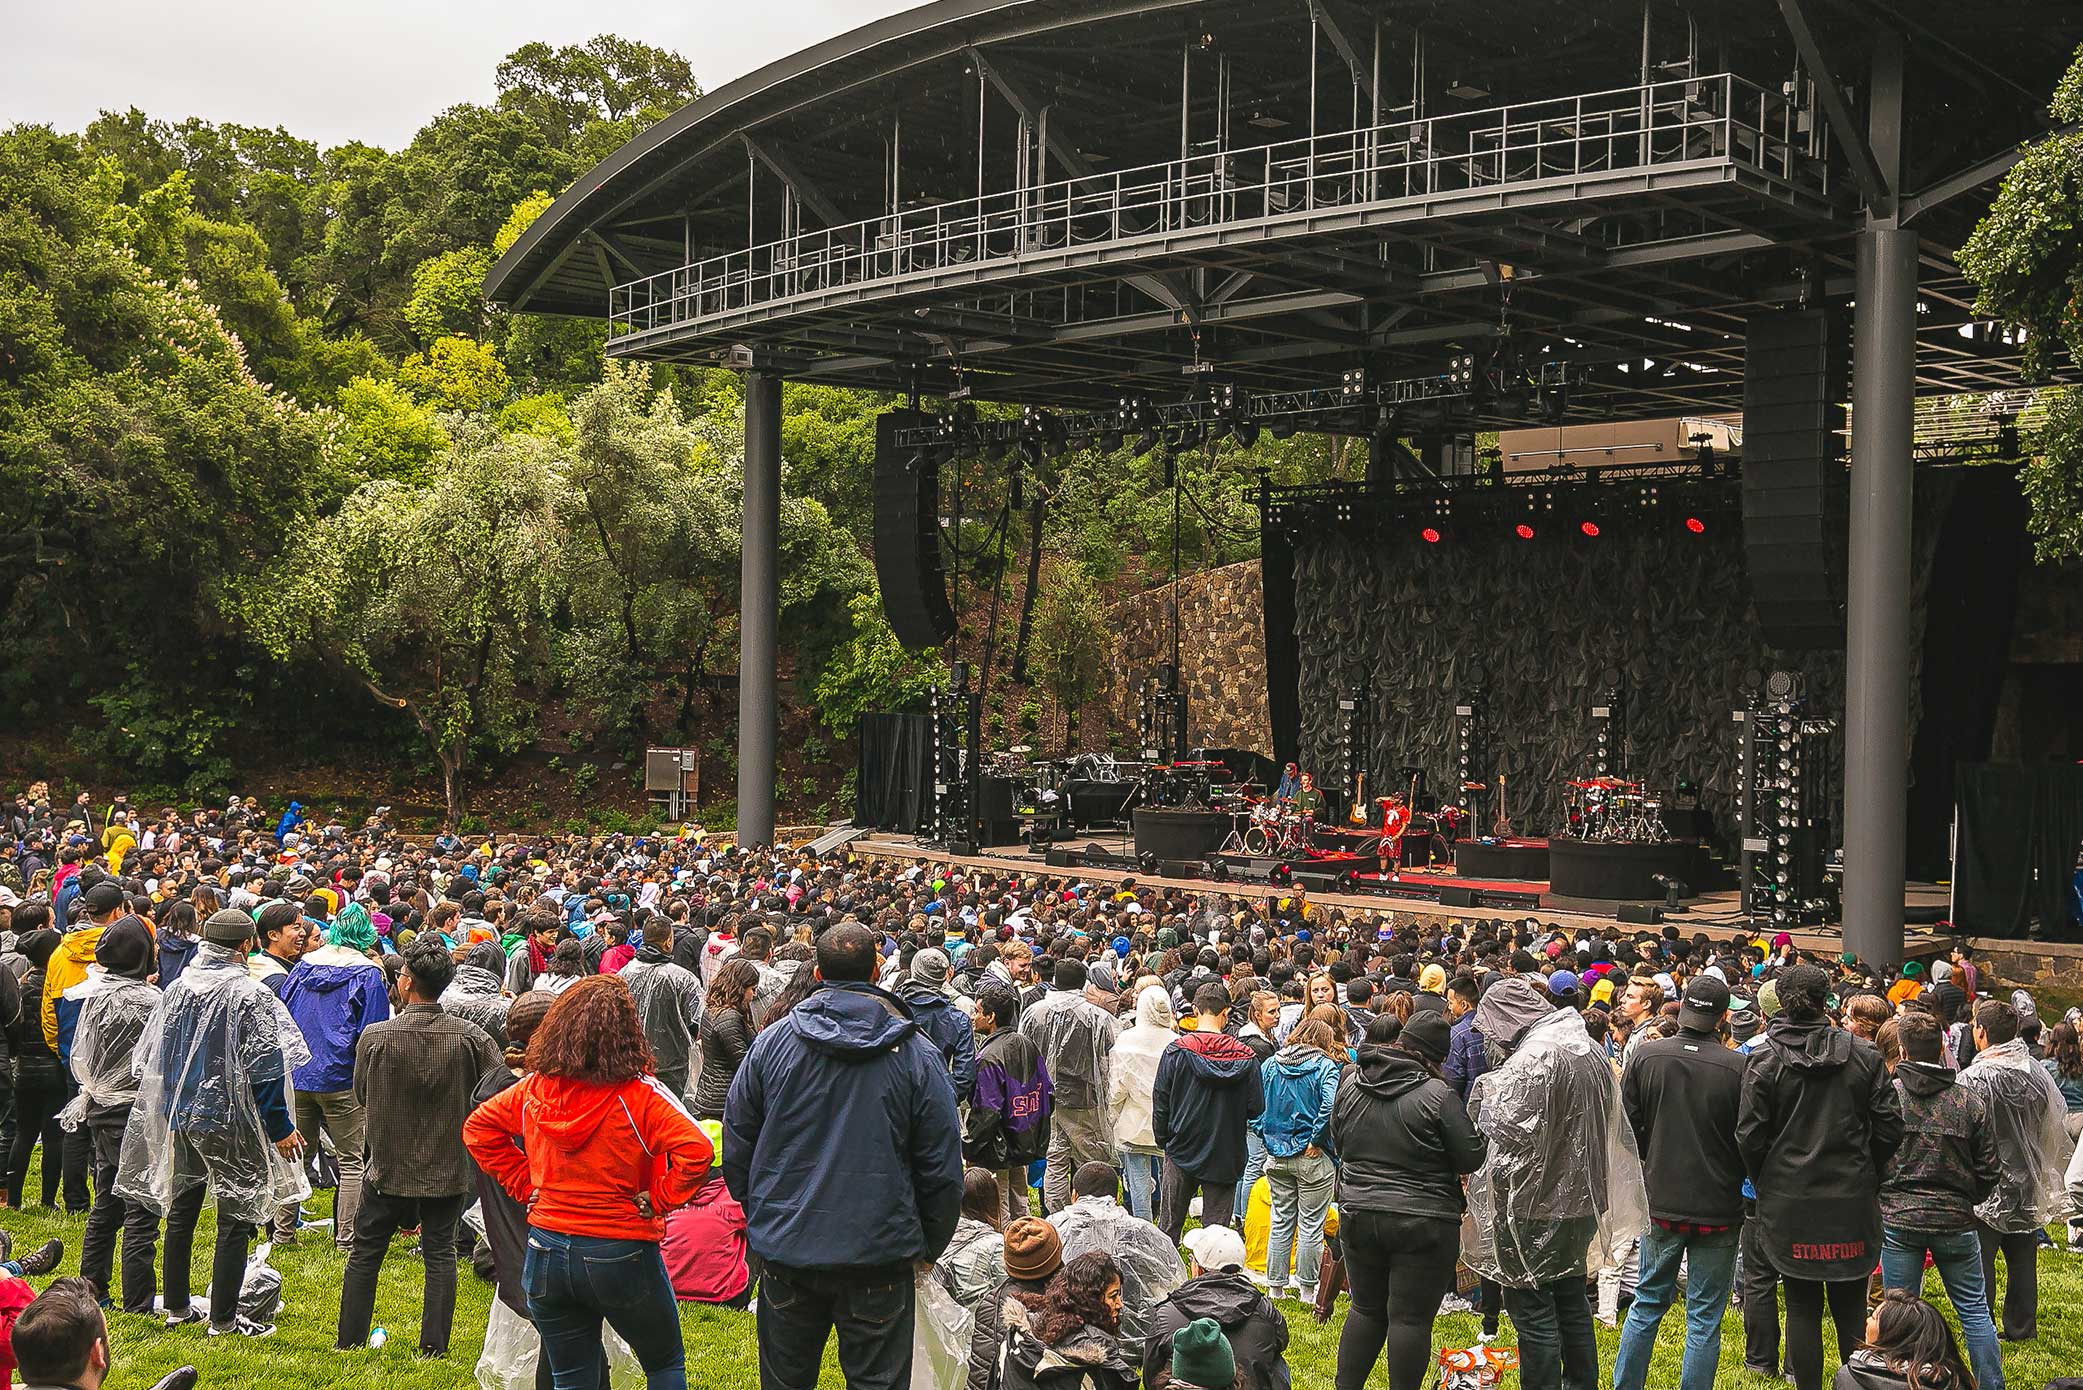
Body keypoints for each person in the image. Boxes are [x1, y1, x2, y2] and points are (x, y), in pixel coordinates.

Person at [721, 921, 964, 1390]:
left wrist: (926, 1243)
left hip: (839, 1248)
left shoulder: (909, 1052)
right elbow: (943, 1166)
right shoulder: (912, 1054)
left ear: (816, 973)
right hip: (857, 1250)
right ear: (878, 969)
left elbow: (940, 1166)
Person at [464, 975, 713, 1390]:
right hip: (620, 1248)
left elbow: (479, 1129)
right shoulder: (641, 1095)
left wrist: (524, 1183)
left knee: (571, 1376)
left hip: (546, 1249)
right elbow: (699, 1150)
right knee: (665, 1362)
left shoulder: (536, 1088)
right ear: (628, 1033)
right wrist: (662, 1197)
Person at [116, 907, 309, 1339]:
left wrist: (169, 1110)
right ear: (245, 945)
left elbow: (158, 1057)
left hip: (183, 1115)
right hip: (231, 1122)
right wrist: (279, 1127)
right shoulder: (251, 995)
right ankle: (223, 1318)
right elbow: (266, 1068)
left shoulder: (178, 988)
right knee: (236, 1216)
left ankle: (179, 1307)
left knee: (182, 1211)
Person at [1463, 975, 1644, 1390]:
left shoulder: (1535, 1059)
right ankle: (1580, 1382)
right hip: (1581, 1202)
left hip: (1531, 1208)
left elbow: (1504, 1130)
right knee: (1570, 1299)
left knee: (1533, 1309)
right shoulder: (1587, 1049)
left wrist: (1485, 1094)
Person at [1737, 964, 1904, 1390]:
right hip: (1845, 1195)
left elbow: (1750, 1134)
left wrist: (1770, 1175)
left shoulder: (1767, 1058)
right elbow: (1889, 1126)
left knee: (1802, 1305)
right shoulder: (1862, 1056)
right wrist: (1866, 1168)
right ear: (1824, 1001)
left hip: (1794, 1197)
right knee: (1848, 1307)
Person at [336, 938, 500, 1356]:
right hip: (447, 1167)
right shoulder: (472, 1039)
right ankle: (434, 1345)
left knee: (366, 1252)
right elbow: (498, 1093)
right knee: (439, 1253)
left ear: (407, 982)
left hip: (388, 1164)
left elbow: (362, 1093)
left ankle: (350, 1339)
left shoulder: (378, 1037)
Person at [1329, 1011, 1483, 1390]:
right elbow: (1471, 1156)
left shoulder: (1351, 1081)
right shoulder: (1438, 1095)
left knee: (1365, 1309)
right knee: (1410, 1319)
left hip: (1360, 1210)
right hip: (1424, 1219)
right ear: (1436, 1057)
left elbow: (1339, 1139)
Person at [1610, 975, 1747, 1390]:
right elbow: (1749, 1137)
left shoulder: (1647, 1056)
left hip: (1662, 1198)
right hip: (1719, 1203)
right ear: (1723, 1017)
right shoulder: (1738, 1067)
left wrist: (1653, 1160)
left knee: (1648, 1302)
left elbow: (1626, 1131)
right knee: (1704, 1317)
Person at [1875, 1009, 2005, 1390]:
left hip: (1902, 1219)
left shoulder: (1887, 1099)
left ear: (1902, 1049)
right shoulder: (1968, 1101)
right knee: (1975, 1313)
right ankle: (1990, 1385)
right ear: (1942, 1047)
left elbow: (1868, 1155)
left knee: (1898, 1312)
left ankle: (1895, 1382)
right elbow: (1990, 1166)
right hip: (1952, 1220)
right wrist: (1966, 1198)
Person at [276, 901, 391, 1249]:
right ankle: (346, 1238)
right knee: (352, 1160)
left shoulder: (302, 967)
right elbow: (373, 1032)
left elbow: (283, 1010)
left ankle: (283, 1232)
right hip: (342, 1076)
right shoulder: (368, 974)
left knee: (295, 1154)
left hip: (299, 1071)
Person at [62, 918, 161, 1314]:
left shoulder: (96, 996)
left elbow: (83, 1053)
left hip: (102, 1109)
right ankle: (138, 1300)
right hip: (136, 1111)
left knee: (106, 1200)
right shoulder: (149, 1003)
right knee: (141, 1206)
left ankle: (93, 1286)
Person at [1957, 995, 2068, 1343]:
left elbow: (1963, 1132)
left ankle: (1984, 1325)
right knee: (2023, 1260)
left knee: (1982, 1260)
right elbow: (2054, 1125)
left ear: (1981, 1032)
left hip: (1985, 1182)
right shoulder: (2036, 1072)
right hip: (2027, 1179)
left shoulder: (1974, 1078)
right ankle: (2021, 1327)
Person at [1153, 982, 1263, 1243]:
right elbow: (1256, 1107)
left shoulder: (1176, 1052)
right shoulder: (1246, 1058)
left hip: (1181, 1146)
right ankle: (1212, 1281)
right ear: (1226, 1012)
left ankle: (1164, 1279)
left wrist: (1163, 1140)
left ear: (1195, 1009)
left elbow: (1161, 1102)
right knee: (1217, 1236)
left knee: (1169, 1228)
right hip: (1226, 1150)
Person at [1048, 1162, 1185, 1352]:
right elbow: (1172, 1283)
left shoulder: (1052, 1228)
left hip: (1069, 1334)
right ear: (1117, 1197)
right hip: (1137, 1339)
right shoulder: (1144, 1232)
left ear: (1074, 1196)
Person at [1253, 1018, 1341, 1303]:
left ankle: (1275, 1288)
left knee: (1281, 1220)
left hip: (1277, 1157)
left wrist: (1265, 1134)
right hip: (1312, 1156)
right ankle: (1306, 1290)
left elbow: (1254, 1104)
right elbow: (1330, 1105)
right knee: (1311, 1224)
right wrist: (1316, 1139)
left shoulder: (1270, 1065)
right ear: (1324, 1041)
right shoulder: (1325, 1067)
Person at [1019, 958, 1118, 1213]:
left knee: (1055, 1157)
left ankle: (1057, 1214)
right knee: (1089, 1156)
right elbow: (1109, 1057)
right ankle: (1091, 1207)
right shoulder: (1097, 1017)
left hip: (1045, 1098)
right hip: (1083, 1098)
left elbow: (1024, 1053)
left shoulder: (1035, 1012)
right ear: (1084, 983)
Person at [1143, 1225, 1289, 1390]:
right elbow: (1282, 1340)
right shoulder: (1265, 1310)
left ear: (1198, 1269)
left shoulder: (1167, 1313)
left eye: (1192, 1259)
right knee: (1277, 1361)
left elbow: (1151, 1375)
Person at [966, 985, 1053, 1226]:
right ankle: (1027, 1248)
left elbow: (987, 1111)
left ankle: (1009, 1254)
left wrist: (970, 1146)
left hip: (998, 1145)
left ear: (991, 1017)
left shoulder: (988, 1057)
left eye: (977, 1011)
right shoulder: (1027, 1044)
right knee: (1020, 1203)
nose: (973, 1017)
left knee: (999, 1206)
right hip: (1023, 1138)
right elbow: (1047, 1092)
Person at [996, 1251, 1138, 1390]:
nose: (1120, 1304)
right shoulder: (1097, 1349)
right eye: (1113, 1296)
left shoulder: (1021, 1337)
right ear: (1091, 1300)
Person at [967, 1217, 1064, 1390]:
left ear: (1008, 1263)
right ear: (1057, 1257)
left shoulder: (990, 1302)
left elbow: (980, 1373)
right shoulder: (1064, 1308)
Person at [619, 916, 705, 1102]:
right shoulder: (683, 979)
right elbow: (698, 1023)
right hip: (672, 1067)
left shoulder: (622, 974)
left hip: (631, 1061)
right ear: (668, 941)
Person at [1109, 983, 1176, 1223]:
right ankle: (1168, 1228)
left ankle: (1142, 1227)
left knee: (1138, 1183)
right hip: (1169, 1124)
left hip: (1133, 1123)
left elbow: (1116, 1088)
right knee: (1170, 1179)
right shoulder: (1177, 1043)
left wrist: (1111, 1115)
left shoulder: (1127, 1040)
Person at [1832, 1290, 1975, 1390]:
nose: (1867, 1321)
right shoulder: (1954, 1381)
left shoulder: (1850, 1377)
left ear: (1892, 1335)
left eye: (1874, 1318)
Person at [900, 948, 979, 1103]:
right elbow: (964, 1075)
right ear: (945, 975)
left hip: (899, 1103)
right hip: (938, 1104)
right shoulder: (958, 1019)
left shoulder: (894, 1009)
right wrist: (944, 1102)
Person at [693, 957, 759, 1121]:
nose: (754, 995)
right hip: (723, 1101)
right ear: (739, 988)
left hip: (712, 1095)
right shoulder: (729, 1018)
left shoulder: (712, 1009)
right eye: (752, 989)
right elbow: (743, 1063)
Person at [935, 1169, 1009, 1312]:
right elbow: (1007, 1293)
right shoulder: (995, 1243)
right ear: (992, 1201)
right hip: (981, 1322)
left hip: (945, 1318)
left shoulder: (940, 1234)